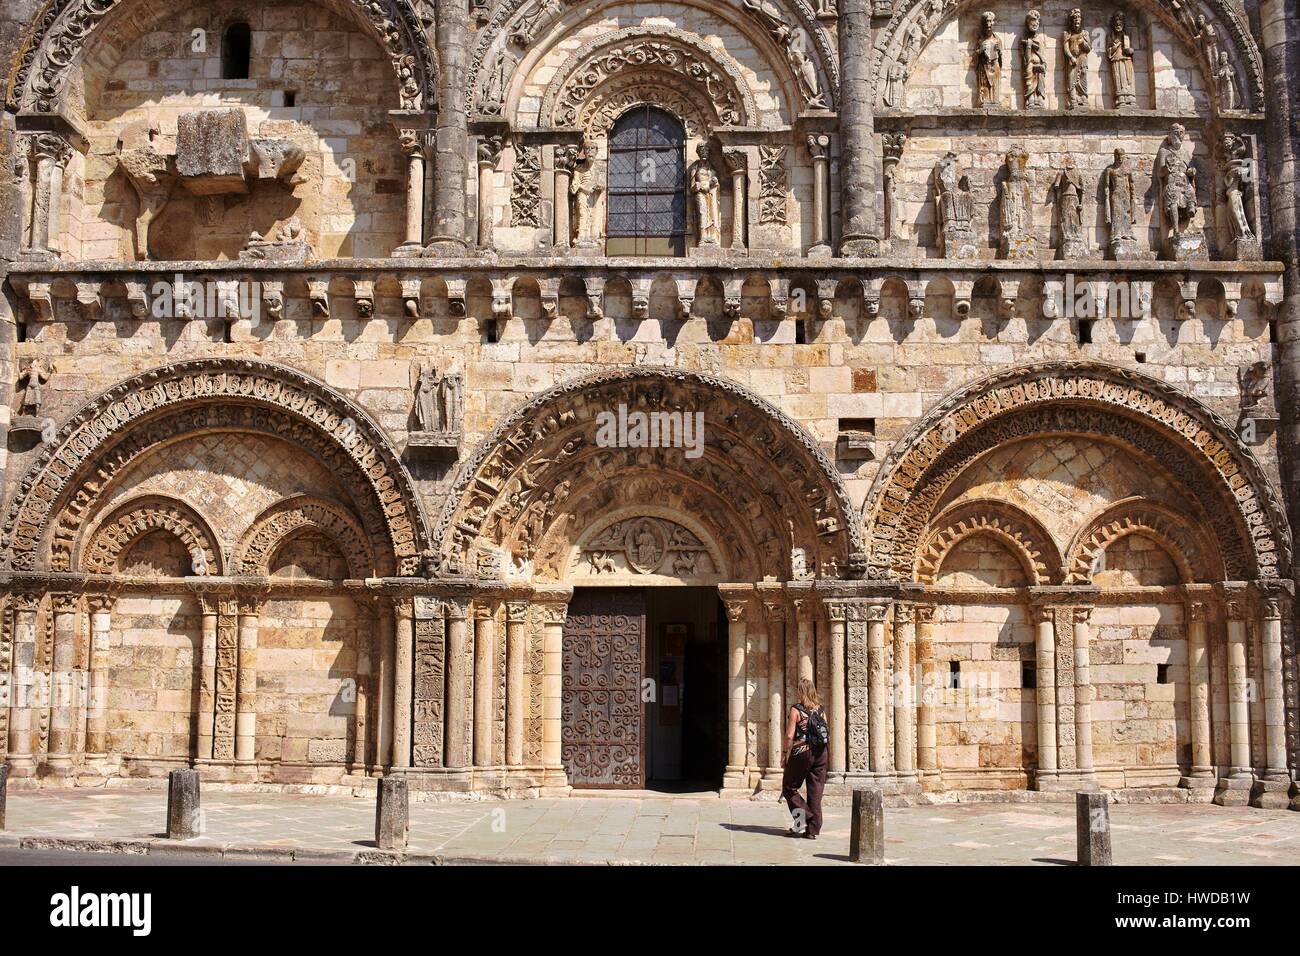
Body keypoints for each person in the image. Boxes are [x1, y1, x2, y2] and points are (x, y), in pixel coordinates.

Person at [781, 678, 828, 839]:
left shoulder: (796, 709)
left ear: (800, 691)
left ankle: (806, 817)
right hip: (821, 753)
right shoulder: (821, 710)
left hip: (802, 752)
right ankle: (811, 831)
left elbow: (789, 735)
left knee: (789, 788)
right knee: (815, 791)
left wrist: (784, 752)